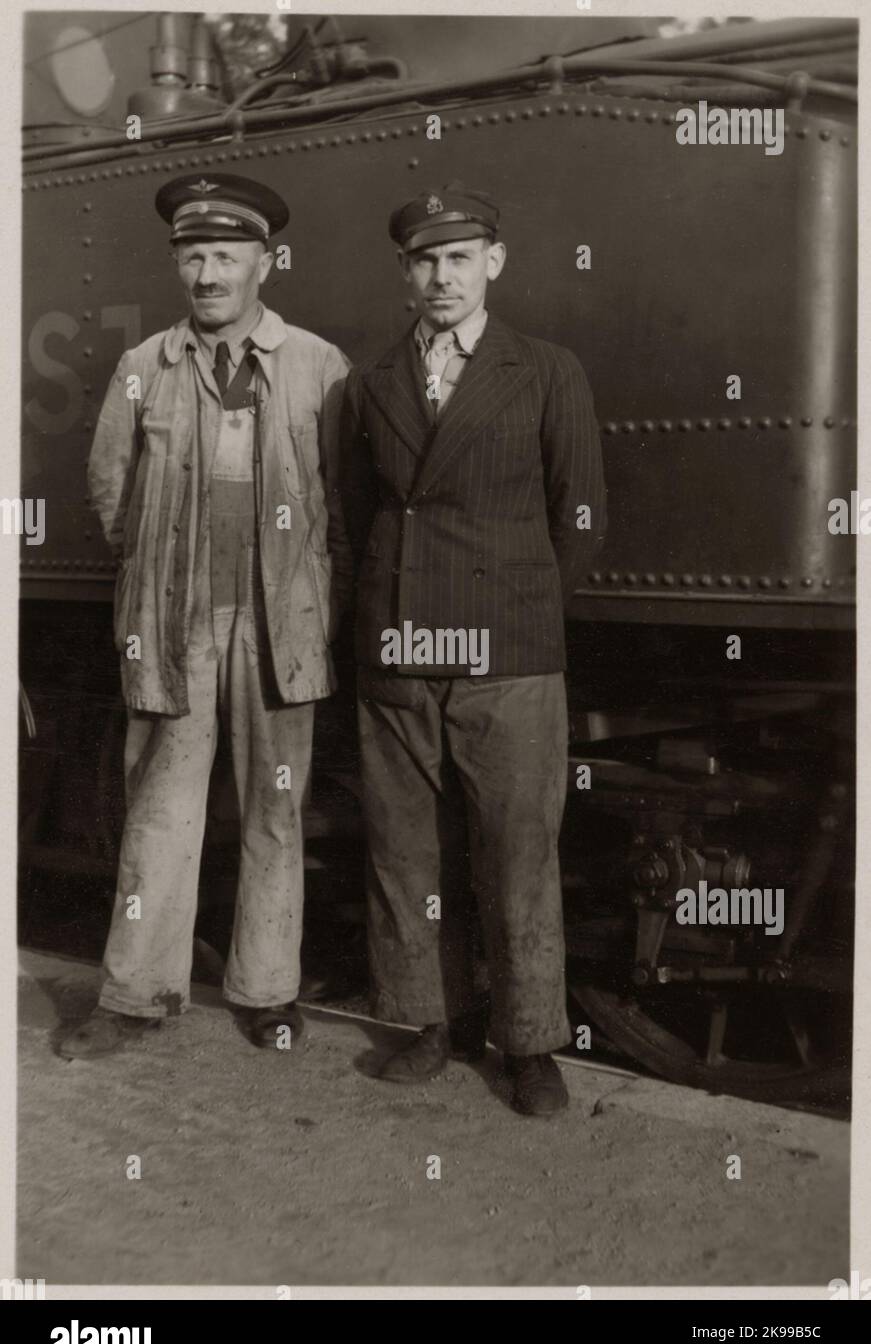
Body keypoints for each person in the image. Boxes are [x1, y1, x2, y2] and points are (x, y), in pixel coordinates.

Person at [60, 174, 351, 1059]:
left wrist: (306, 596)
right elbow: (111, 490)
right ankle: (134, 995)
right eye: (193, 255)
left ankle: (267, 993)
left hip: (278, 630)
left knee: (274, 811)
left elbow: (341, 503)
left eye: (227, 255)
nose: (207, 272)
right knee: (160, 809)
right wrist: (154, 578)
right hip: (176, 623)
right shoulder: (144, 367)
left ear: (266, 261)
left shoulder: (316, 366)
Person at [340, 182, 607, 1116]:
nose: (441, 276)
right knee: (405, 852)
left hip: (509, 654)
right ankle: (425, 1025)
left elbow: (579, 519)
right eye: (424, 260)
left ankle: (528, 1044)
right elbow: (354, 519)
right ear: (405, 272)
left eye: (460, 257)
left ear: (494, 262)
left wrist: (518, 612)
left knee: (517, 851)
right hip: (399, 645)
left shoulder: (544, 371)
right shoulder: (370, 385)